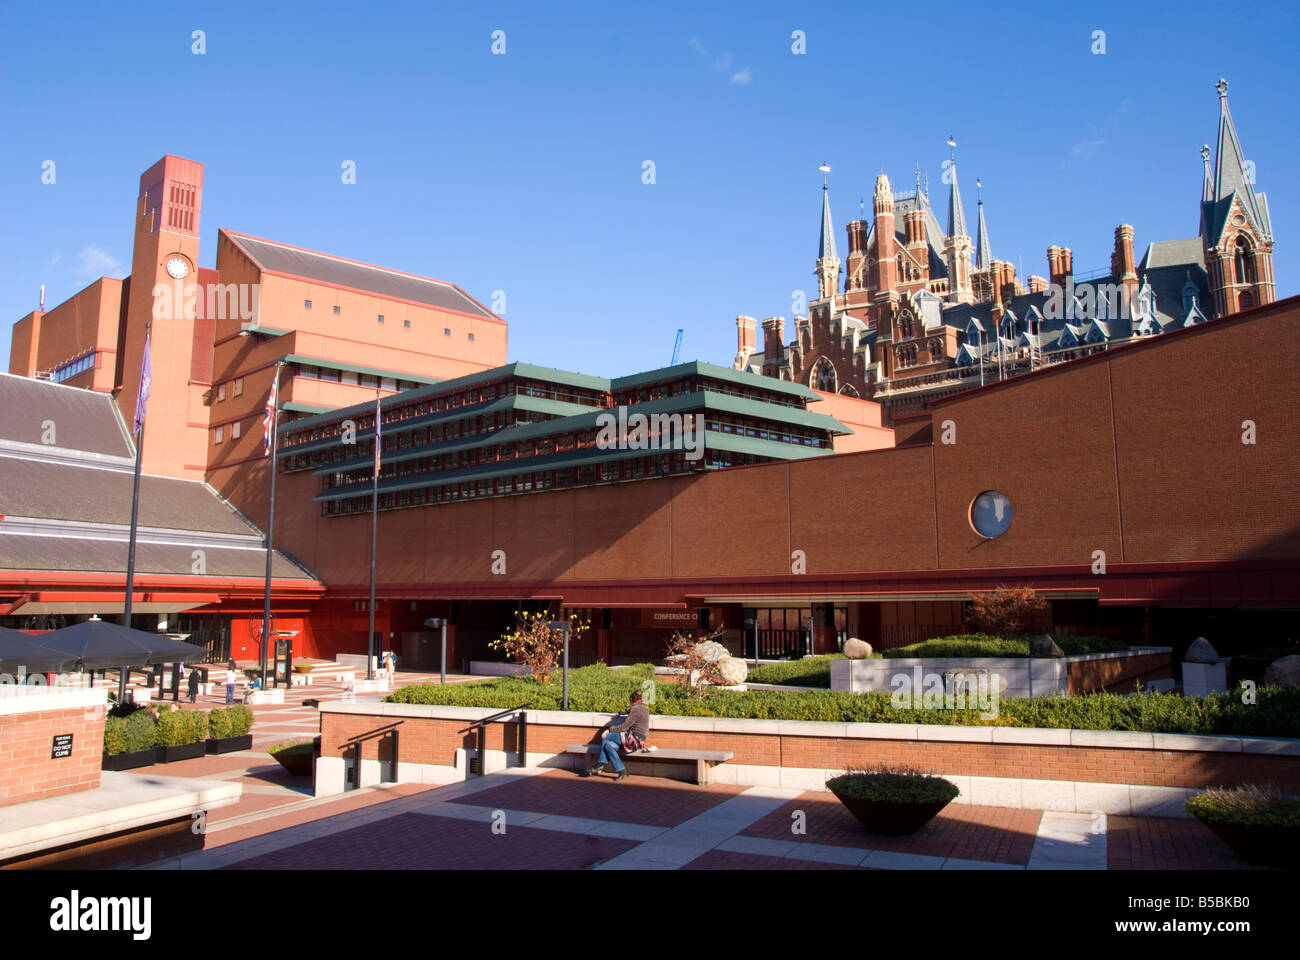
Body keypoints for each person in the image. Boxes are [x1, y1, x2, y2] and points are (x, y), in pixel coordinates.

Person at [586, 690, 649, 782]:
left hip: (633, 739)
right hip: (639, 740)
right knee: (608, 745)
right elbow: (635, 714)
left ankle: (600, 764)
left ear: (631, 699)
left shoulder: (635, 709)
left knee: (606, 737)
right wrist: (626, 712)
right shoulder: (644, 708)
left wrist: (609, 730)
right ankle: (621, 770)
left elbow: (624, 727)